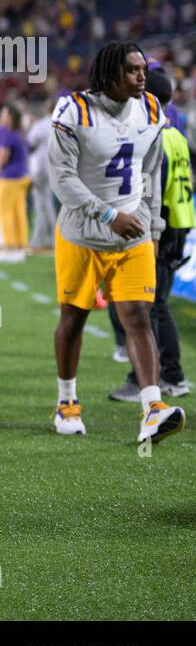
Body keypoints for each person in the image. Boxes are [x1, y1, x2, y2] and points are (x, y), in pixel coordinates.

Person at [49, 41, 185, 444]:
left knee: (139, 318)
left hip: (133, 233)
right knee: (73, 320)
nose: (142, 76)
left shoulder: (151, 109)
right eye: (131, 70)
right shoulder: (74, 110)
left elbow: (151, 170)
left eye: (142, 68)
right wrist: (108, 215)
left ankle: (152, 408)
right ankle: (67, 402)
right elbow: (62, 178)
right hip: (83, 234)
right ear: (109, 74)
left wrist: (154, 225)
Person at [109, 67, 192, 402]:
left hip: (162, 226)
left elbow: (151, 191)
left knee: (146, 305)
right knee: (155, 304)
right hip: (180, 222)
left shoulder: (155, 137)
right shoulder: (176, 136)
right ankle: (169, 376)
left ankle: (156, 377)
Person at [0, 102, 31, 263]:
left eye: (4, 114)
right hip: (23, 177)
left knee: (5, 212)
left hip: (9, 178)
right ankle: (21, 246)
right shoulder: (21, 133)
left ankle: (8, 247)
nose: (2, 117)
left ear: (10, 117)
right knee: (19, 212)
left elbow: (2, 159)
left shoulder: (8, 135)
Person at [26, 98, 57, 251]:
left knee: (41, 205)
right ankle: (50, 239)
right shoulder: (62, 123)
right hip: (54, 168)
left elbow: (29, 143)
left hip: (39, 168)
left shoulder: (41, 124)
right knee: (48, 204)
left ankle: (40, 240)